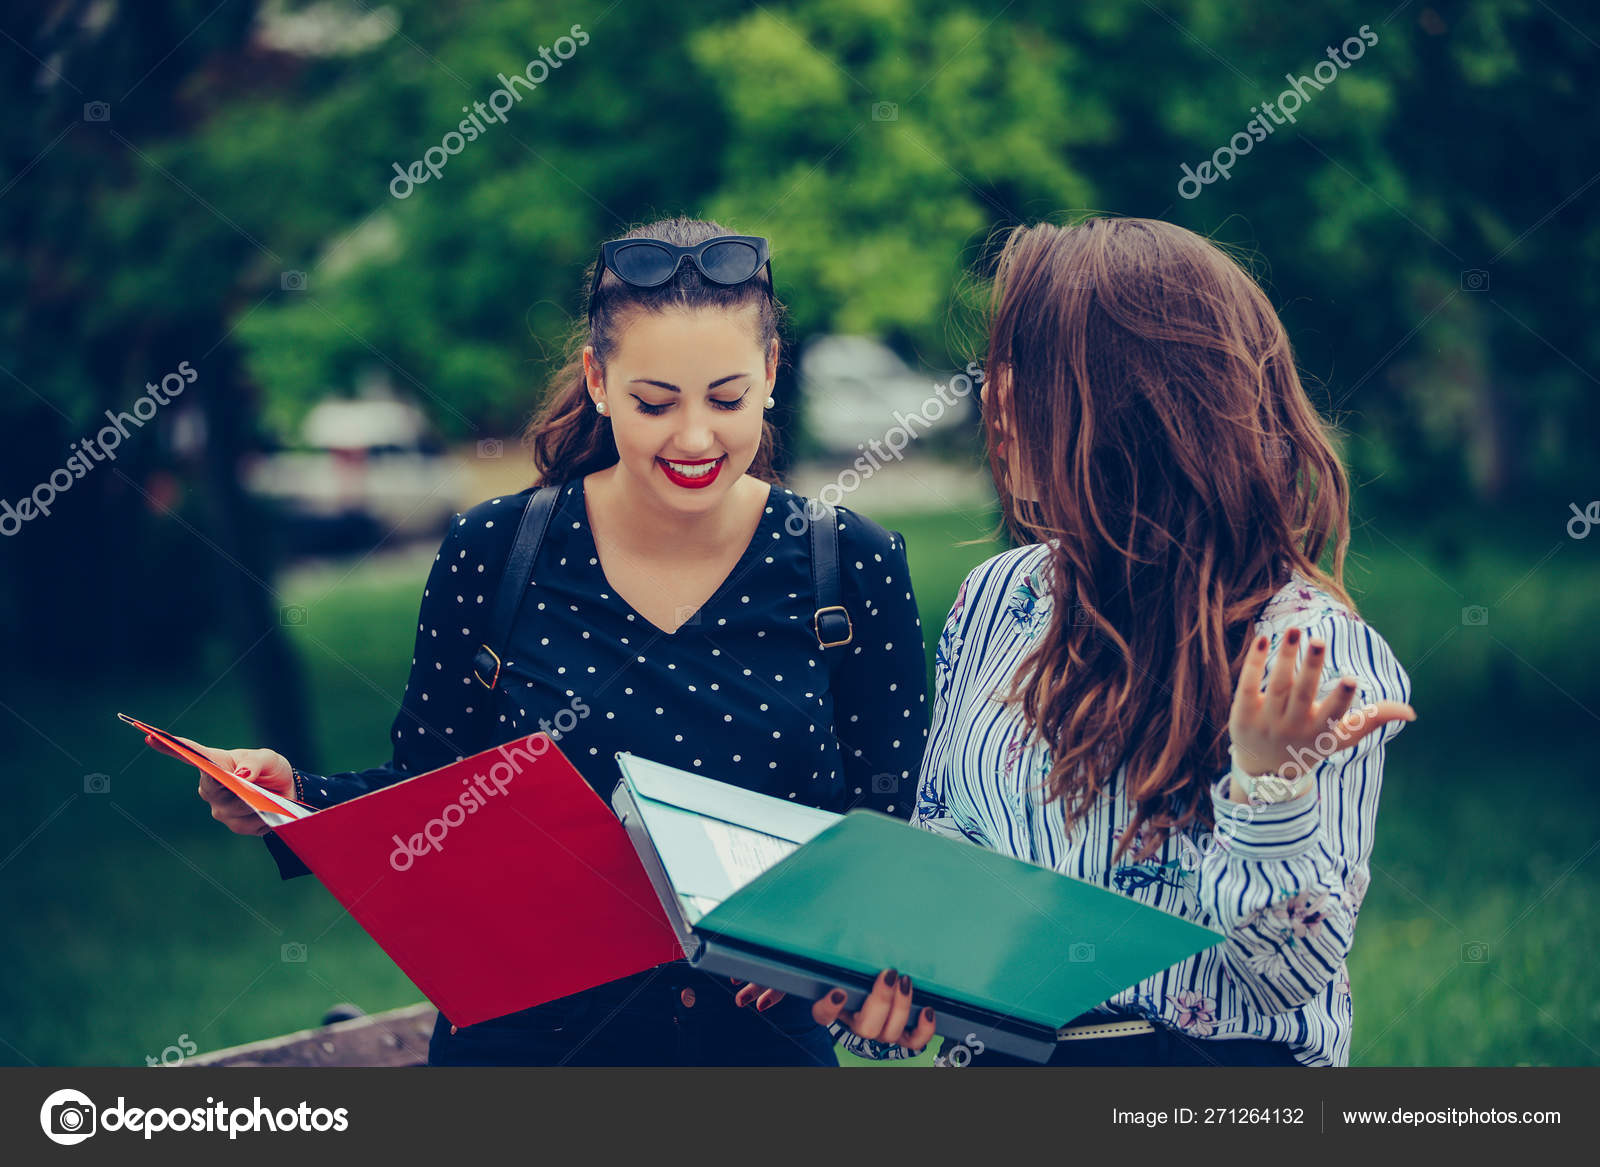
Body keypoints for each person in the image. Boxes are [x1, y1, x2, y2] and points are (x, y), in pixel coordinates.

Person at [147, 216, 931, 1067]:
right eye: (655, 402)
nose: (696, 437)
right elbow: (428, 793)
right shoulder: (496, 549)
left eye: (728, 397)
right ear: (597, 379)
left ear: (772, 374)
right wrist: (291, 797)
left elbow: (892, 836)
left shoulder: (851, 565)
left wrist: (832, 950)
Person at [803, 216, 1415, 1066]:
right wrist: (869, 980)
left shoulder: (1304, 649)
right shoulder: (999, 599)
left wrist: (1270, 794)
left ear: (1129, 410)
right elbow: (946, 847)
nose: (993, 398)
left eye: (1025, 371)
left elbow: (1284, 975)